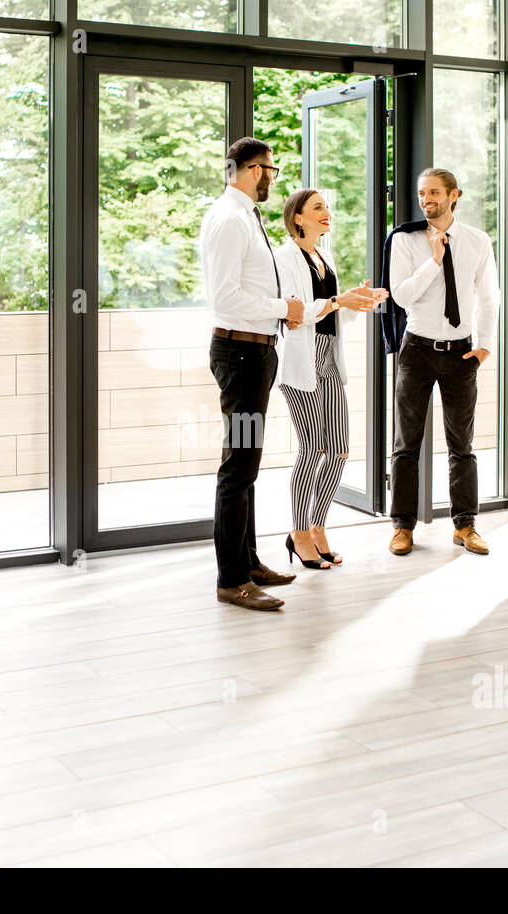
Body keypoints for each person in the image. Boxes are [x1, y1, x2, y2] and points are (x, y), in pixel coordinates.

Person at [199, 136, 304, 612]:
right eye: (269, 169)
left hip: (256, 353)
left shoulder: (244, 215)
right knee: (238, 467)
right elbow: (224, 298)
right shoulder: (228, 219)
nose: (271, 178)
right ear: (249, 169)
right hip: (241, 356)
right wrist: (285, 306)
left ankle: (249, 561)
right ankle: (231, 580)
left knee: (248, 466)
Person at [379, 168, 499, 557]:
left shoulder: (478, 241)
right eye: (421, 193)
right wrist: (433, 260)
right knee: (406, 443)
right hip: (416, 351)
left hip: (461, 352)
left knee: (461, 444)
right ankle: (402, 526)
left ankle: (465, 524)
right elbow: (401, 295)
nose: (426, 199)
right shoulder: (404, 240)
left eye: (433, 192)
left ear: (453, 195)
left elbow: (489, 297)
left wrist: (485, 346)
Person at [274, 189, 387, 570]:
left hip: (330, 359)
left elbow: (331, 313)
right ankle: (298, 531)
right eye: (318, 208)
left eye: (327, 207)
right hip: (301, 363)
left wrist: (357, 301)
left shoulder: (325, 257)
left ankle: (319, 525)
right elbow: (297, 313)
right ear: (298, 218)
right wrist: (340, 300)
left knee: (337, 449)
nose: (327, 213)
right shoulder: (284, 258)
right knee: (311, 448)